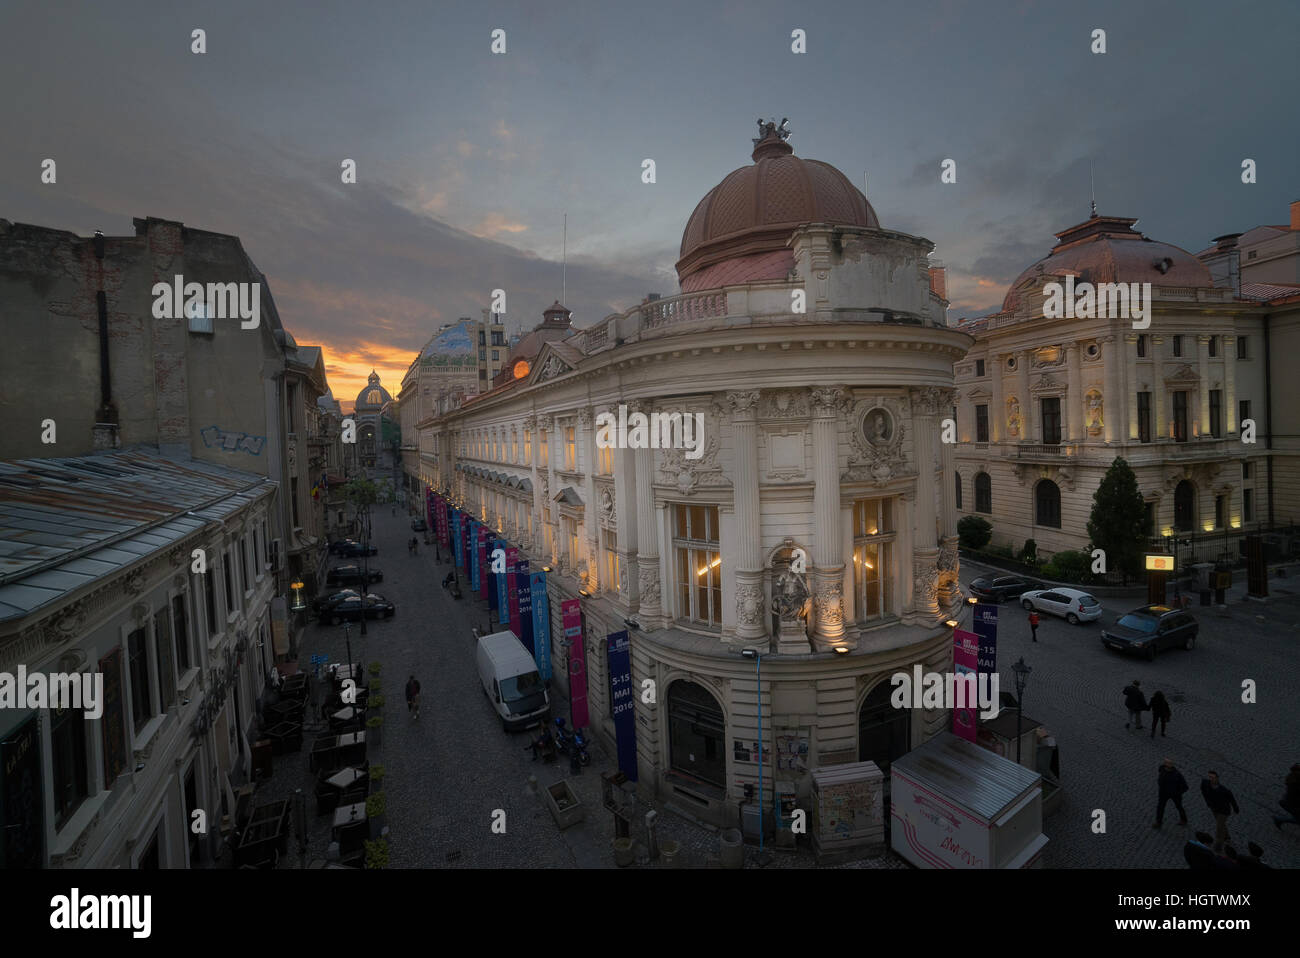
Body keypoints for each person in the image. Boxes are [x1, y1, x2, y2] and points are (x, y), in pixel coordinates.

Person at [1201, 770, 1240, 853]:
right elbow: (1203, 790)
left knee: (1219, 829)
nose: (1211, 779)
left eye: (1213, 777)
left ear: (1217, 778)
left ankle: (1218, 847)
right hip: (1214, 808)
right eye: (1210, 777)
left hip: (1223, 811)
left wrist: (1236, 808)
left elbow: (1232, 799)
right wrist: (1207, 801)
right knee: (1221, 824)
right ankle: (1227, 837)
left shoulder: (1224, 790)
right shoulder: (1205, 783)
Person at [1154, 759, 1189, 829]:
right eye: (1167, 763)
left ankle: (1184, 819)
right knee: (1160, 807)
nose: (1168, 765)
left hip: (1174, 794)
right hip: (1163, 793)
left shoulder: (1177, 775)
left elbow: (1185, 787)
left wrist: (1177, 793)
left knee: (1179, 806)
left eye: (1170, 763)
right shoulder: (1162, 770)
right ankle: (1158, 822)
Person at [1273, 763, 1300, 830]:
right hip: (1291, 804)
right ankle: (1279, 820)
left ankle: (1279, 820)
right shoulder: (1294, 784)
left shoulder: (1293, 778)